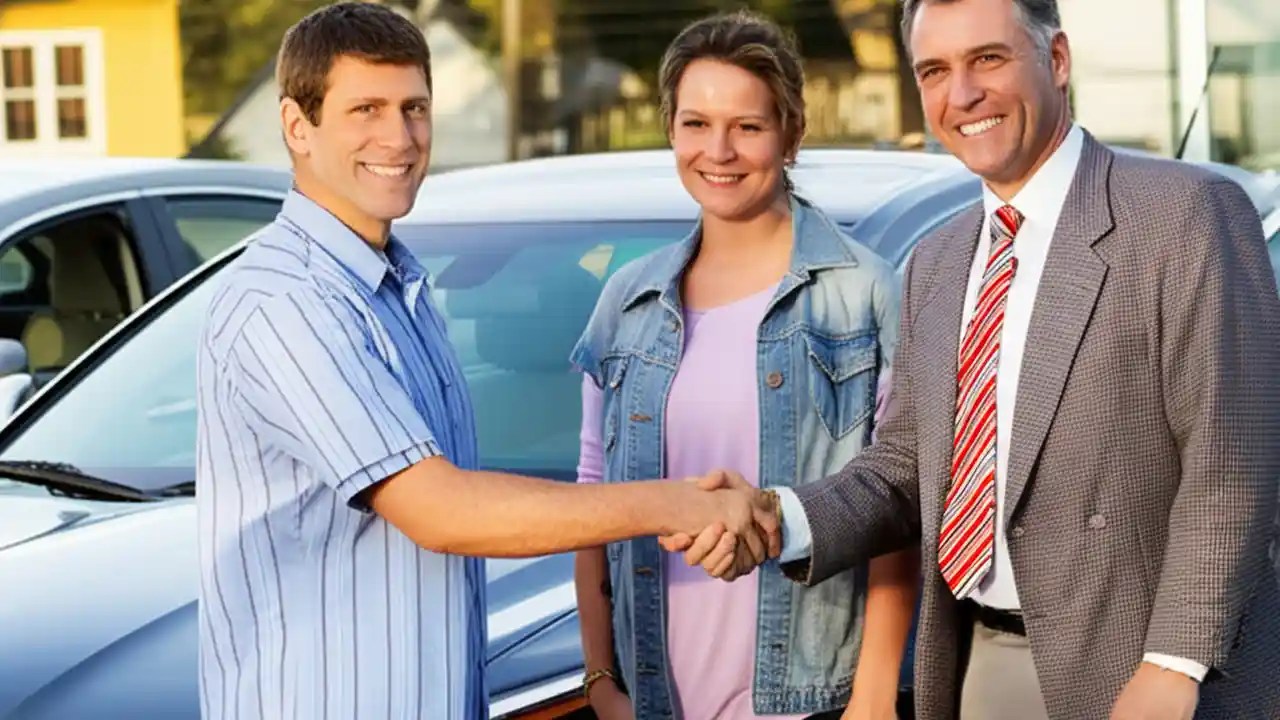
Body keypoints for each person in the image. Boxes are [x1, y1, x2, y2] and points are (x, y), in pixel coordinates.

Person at [669, 0, 1280, 718]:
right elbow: (902, 471)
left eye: (987, 59)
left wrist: (1173, 664)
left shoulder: (1185, 215)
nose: (962, 95)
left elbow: (1234, 463)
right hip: (979, 668)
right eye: (935, 70)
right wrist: (779, 516)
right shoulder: (938, 260)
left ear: (1056, 60)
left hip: (1148, 674)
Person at [193, 4, 779, 719]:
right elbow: (439, 510)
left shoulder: (397, 290)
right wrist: (674, 500)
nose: (399, 137)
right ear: (296, 127)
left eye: (414, 107)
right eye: (365, 110)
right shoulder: (283, 302)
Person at [568, 10, 918, 720]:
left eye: (748, 127)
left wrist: (875, 699)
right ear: (670, 129)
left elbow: (900, 506)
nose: (718, 150)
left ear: (792, 134)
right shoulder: (626, 301)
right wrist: (601, 681)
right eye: (696, 123)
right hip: (652, 702)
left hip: (813, 702)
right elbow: (592, 501)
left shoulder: (865, 292)